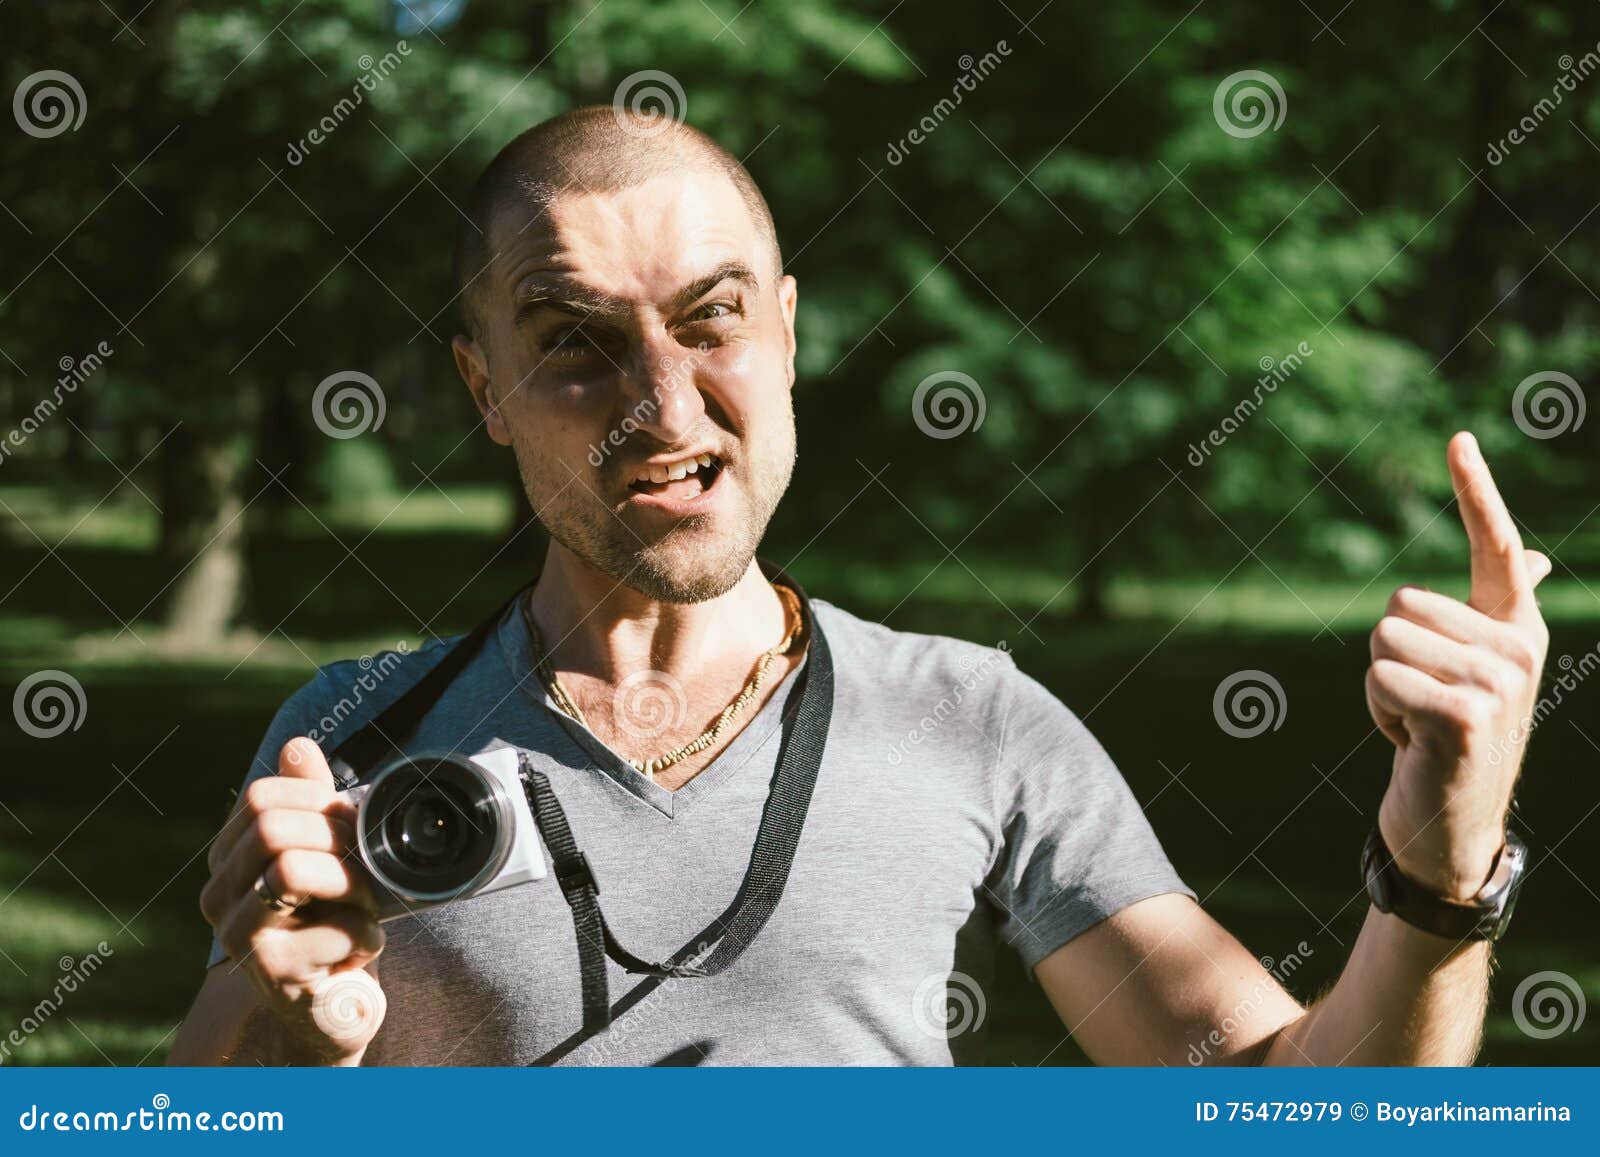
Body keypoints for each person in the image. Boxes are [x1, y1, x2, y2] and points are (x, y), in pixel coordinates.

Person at [169, 107, 1550, 1066]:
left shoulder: (977, 720)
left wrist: (1439, 870)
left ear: (782, 331)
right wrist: (293, 1052)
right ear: (485, 389)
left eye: (710, 318)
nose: (664, 402)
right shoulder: (353, 743)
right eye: (571, 340)